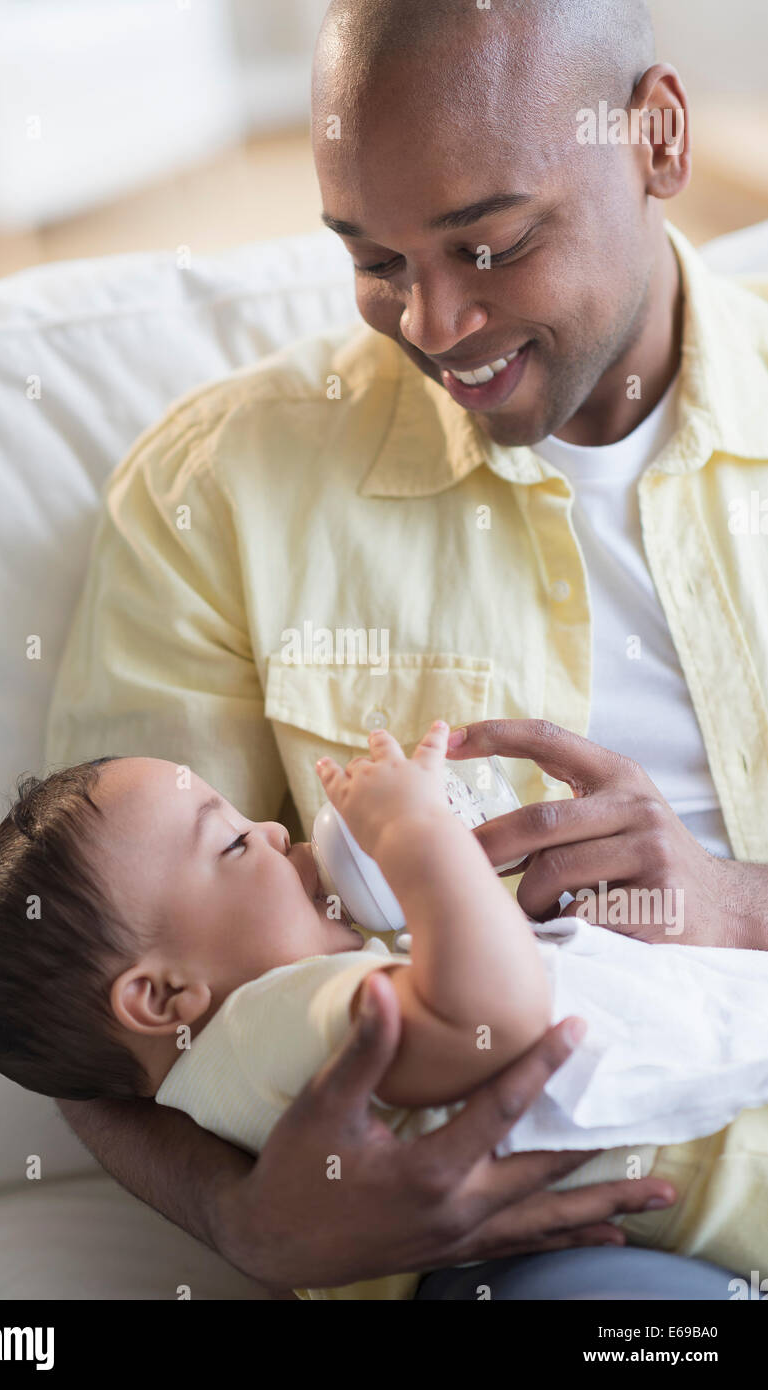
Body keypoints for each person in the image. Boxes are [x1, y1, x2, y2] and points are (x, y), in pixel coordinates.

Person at [43, 0, 768, 1298]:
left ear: (655, 137)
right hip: (592, 1263)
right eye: (373, 260)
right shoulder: (220, 492)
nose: (434, 321)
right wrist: (247, 1218)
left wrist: (736, 906)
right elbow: (87, 998)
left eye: (489, 244)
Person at [0, 723, 768, 1299]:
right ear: (162, 998)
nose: (272, 829)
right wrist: (416, 837)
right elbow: (494, 1015)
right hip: (725, 1183)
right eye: (230, 845)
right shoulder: (271, 1023)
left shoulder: (254, 1042)